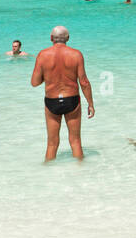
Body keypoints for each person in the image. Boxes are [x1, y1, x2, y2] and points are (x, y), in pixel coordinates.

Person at [30, 25, 94, 158]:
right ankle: (81, 173)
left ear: (51, 38)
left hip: (51, 101)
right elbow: (84, 82)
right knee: (75, 142)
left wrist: (48, 76)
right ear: (68, 38)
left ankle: (47, 174)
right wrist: (91, 104)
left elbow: (34, 83)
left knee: (52, 144)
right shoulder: (76, 54)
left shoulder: (43, 55)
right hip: (71, 100)